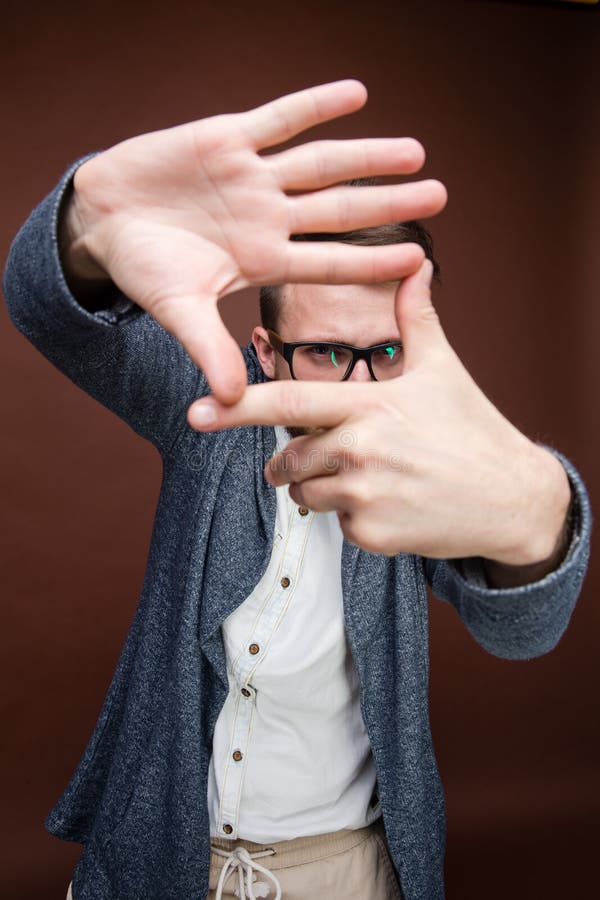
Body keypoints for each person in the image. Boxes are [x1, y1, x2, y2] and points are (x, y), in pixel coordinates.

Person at [3, 80, 591, 900]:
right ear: (266, 351)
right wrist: (86, 225)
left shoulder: (430, 453)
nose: (357, 389)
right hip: (161, 857)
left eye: (382, 353)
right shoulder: (214, 401)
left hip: (349, 867)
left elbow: (523, 633)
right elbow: (51, 313)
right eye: (322, 353)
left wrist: (539, 510)